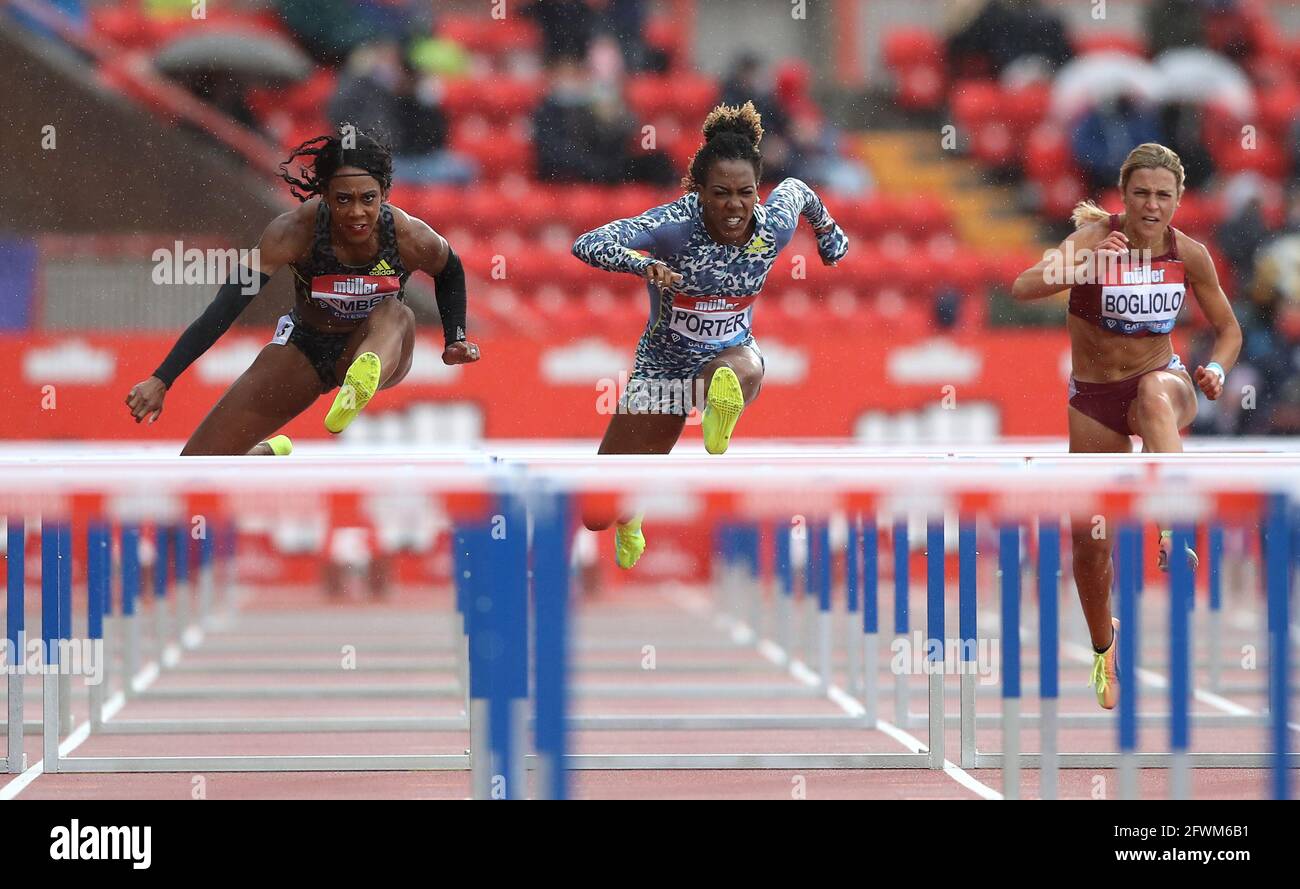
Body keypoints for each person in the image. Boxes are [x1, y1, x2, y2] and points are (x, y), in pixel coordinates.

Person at [1012, 142, 1242, 710]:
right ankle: (1102, 648)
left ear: (1179, 199)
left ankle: (1173, 524)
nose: (1151, 205)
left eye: (1163, 195)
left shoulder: (1189, 255)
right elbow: (1023, 286)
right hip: (1094, 402)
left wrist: (1214, 367)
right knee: (1090, 547)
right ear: (1124, 194)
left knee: (1153, 393)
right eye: (1141, 193)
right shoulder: (1094, 240)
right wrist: (1086, 268)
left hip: (1164, 383)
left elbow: (1229, 331)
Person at [571, 101, 849, 569]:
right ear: (698, 191)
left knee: (740, 369)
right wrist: (645, 265)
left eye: (745, 193)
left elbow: (800, 190)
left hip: (730, 353)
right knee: (597, 513)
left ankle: (721, 409)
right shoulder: (673, 225)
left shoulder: (772, 225)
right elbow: (587, 243)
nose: (734, 206)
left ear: (758, 191)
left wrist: (828, 232)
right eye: (720, 193)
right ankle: (629, 512)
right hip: (662, 368)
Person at [125, 128, 481, 454]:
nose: (357, 213)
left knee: (396, 312)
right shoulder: (292, 233)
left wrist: (455, 337)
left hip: (379, 343)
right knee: (198, 463)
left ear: (385, 193)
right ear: (324, 194)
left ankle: (359, 380)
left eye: (368, 199)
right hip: (306, 349)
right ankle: (265, 455)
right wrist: (162, 377)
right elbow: (224, 309)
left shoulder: (409, 236)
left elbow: (449, 269)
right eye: (343, 200)